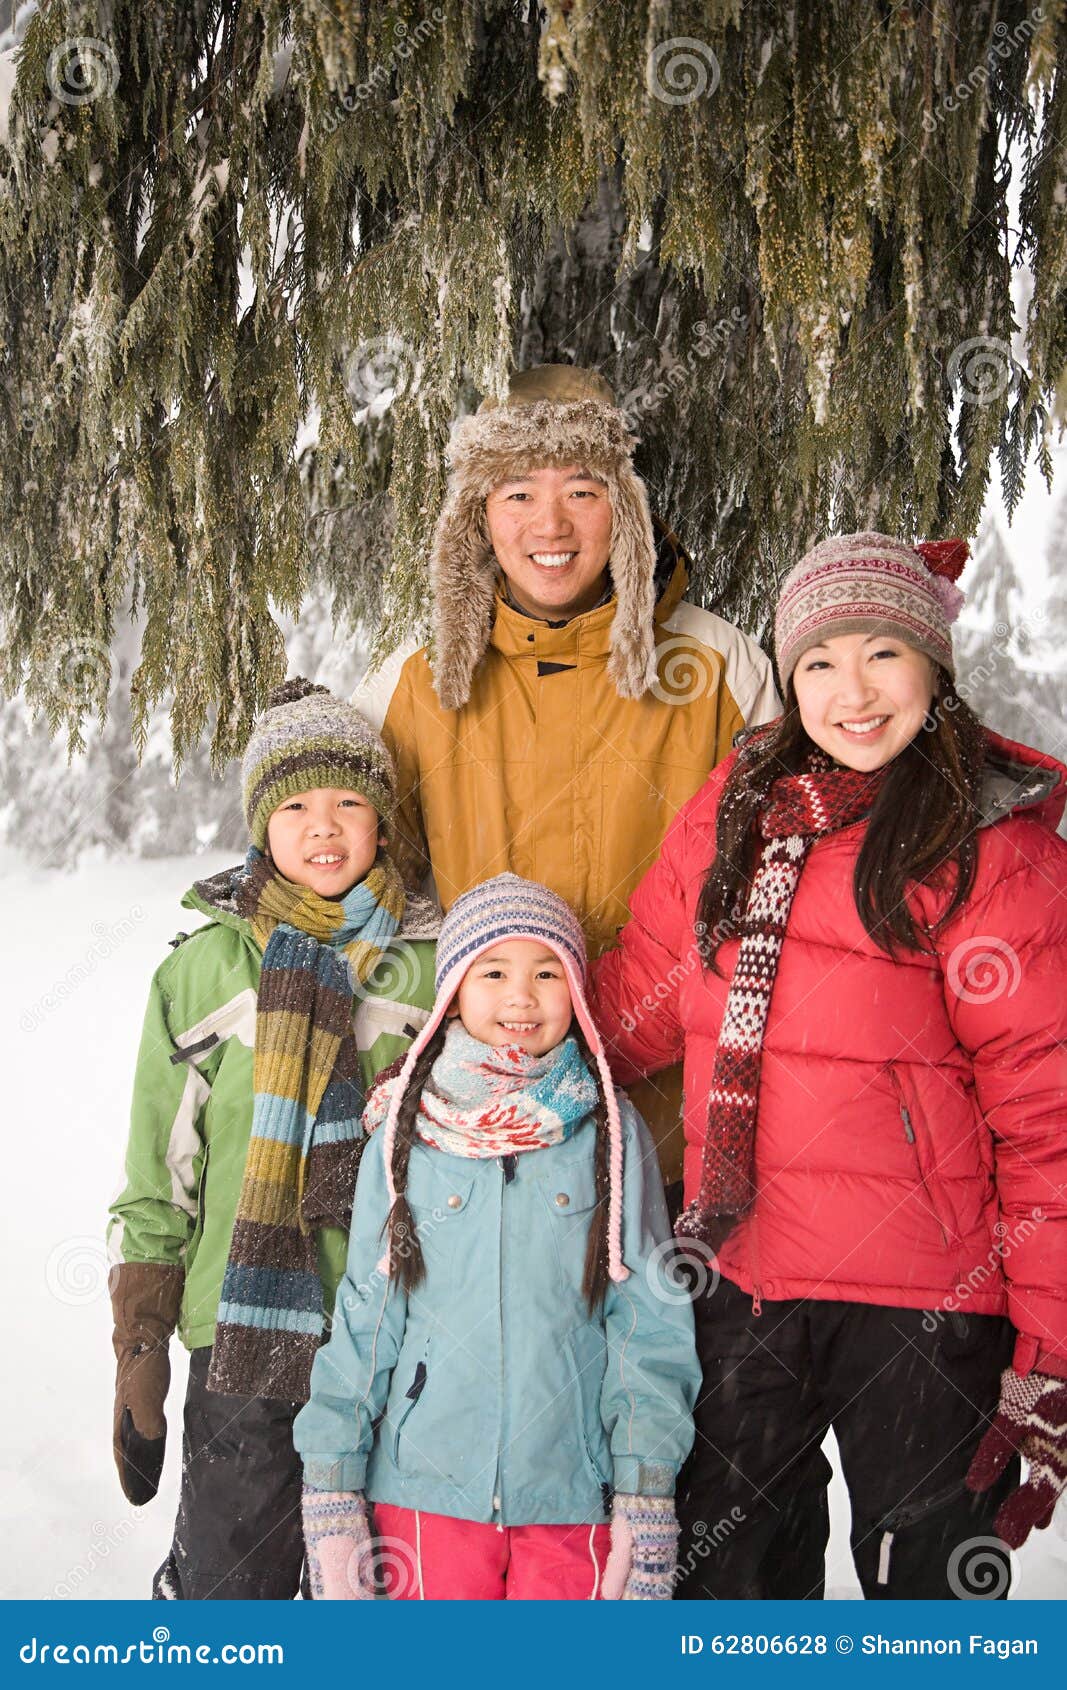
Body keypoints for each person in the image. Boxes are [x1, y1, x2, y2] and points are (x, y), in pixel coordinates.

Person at [591, 532, 1067, 1600]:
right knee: (730, 1590)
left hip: (925, 1307)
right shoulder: (737, 809)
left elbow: (1048, 1119)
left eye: (880, 654)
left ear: (933, 666)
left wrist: (1048, 1345)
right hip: (739, 1280)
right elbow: (637, 1003)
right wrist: (489, 1039)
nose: (849, 692)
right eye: (817, 662)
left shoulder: (995, 849)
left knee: (925, 1601)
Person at [355, 363, 780, 1191]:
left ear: (622, 508)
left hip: (668, 1124)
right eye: (516, 491)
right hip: (478, 1130)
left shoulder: (715, 666)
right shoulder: (418, 680)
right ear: (477, 515)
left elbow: (785, 883)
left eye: (582, 489)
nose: (549, 522)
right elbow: (354, 879)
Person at [107, 679, 439, 1599]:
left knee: (380, 1586)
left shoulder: (434, 964)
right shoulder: (202, 967)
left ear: (383, 822)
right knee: (230, 1584)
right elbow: (160, 1166)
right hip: (238, 1327)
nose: (322, 826)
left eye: (347, 801)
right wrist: (141, 1338)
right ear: (261, 824)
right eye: (294, 804)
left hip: (390, 1324)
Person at [293, 874, 700, 1600]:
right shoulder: (402, 1137)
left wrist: (645, 1488)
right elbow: (365, 1316)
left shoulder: (608, 1131)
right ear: (453, 989)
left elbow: (648, 1322)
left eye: (547, 972)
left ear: (574, 988)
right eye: (494, 972)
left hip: (572, 1499)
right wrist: (331, 1486)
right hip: (422, 1495)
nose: (521, 995)